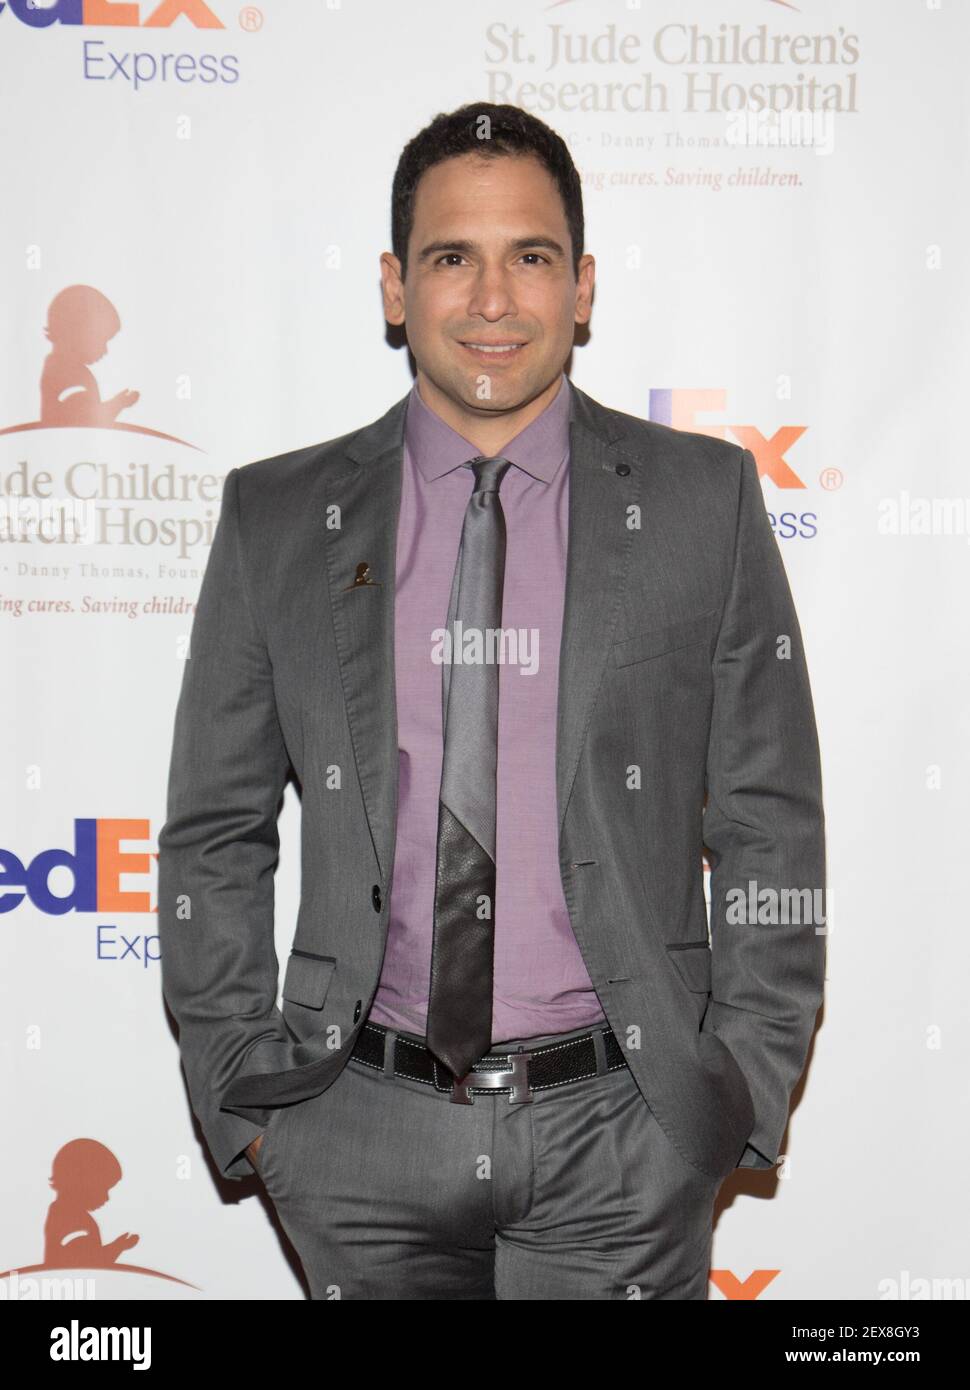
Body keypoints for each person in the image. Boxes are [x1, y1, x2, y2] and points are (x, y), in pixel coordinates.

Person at [157, 101, 825, 1301]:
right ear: (393, 288)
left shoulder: (699, 501)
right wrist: (244, 1097)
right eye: (450, 257)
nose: (492, 299)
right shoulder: (276, 521)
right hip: (353, 1131)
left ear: (582, 286)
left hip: (624, 1138)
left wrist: (741, 1086)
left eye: (531, 256)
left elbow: (770, 821)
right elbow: (215, 830)